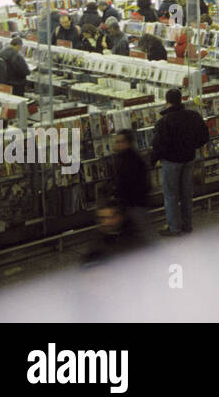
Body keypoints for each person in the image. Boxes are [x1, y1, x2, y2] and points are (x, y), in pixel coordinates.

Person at [151, 89, 210, 236]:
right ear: (181, 99)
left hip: (171, 162)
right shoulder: (193, 116)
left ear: (167, 102)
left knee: (171, 195)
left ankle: (174, 228)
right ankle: (187, 224)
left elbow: (159, 146)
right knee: (186, 194)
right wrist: (192, 147)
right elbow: (204, 136)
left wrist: (153, 160)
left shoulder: (164, 122)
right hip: (189, 158)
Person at [111, 129, 150, 236]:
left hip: (134, 204)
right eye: (117, 142)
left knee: (144, 234)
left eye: (120, 142)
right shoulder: (122, 157)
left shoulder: (134, 160)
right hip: (128, 203)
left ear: (127, 143)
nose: (117, 144)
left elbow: (133, 182)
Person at [81, 204, 146, 266]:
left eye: (111, 217)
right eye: (102, 218)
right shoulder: (97, 240)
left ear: (119, 217)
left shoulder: (133, 236)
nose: (106, 222)